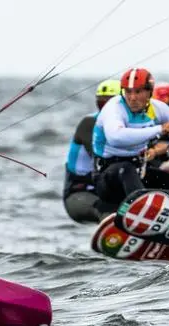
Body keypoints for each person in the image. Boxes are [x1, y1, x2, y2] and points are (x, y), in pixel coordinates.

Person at [92, 67, 169, 208]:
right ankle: (143, 209)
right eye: (128, 92)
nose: (132, 98)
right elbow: (116, 138)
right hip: (107, 180)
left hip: (140, 173)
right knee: (126, 169)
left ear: (149, 92)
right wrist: (160, 129)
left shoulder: (158, 108)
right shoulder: (114, 107)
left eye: (138, 92)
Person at [63, 79, 122, 222]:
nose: (107, 109)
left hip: (108, 193)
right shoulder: (89, 124)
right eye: (102, 103)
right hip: (80, 194)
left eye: (111, 104)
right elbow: (104, 158)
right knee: (111, 210)